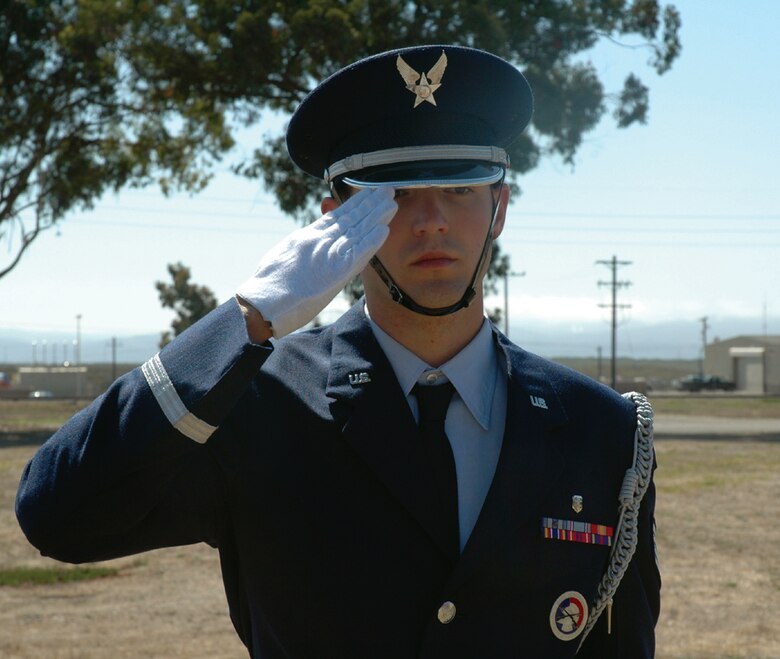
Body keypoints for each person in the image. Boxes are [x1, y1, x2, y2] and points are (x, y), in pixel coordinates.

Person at [16, 45, 660, 658]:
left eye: (461, 187)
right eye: (396, 193)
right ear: (334, 218)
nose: (432, 218)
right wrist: (245, 320)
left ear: (500, 206)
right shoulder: (258, 404)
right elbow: (59, 515)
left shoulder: (600, 432)